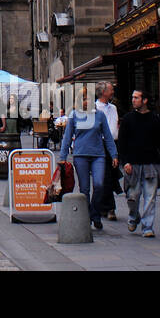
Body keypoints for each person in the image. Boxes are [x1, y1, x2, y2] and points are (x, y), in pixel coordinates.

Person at [57, 90, 117, 231]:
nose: (86, 102)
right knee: (84, 189)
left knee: (99, 184)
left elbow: (108, 136)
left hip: (98, 155)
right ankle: (89, 217)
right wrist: (62, 157)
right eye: (83, 99)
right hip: (80, 155)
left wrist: (114, 154)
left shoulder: (99, 115)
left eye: (88, 99)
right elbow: (67, 137)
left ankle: (94, 213)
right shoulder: (74, 115)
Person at [118, 90, 160, 238]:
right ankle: (134, 216)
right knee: (132, 196)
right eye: (132, 97)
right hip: (133, 164)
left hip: (151, 163)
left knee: (150, 197)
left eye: (136, 97)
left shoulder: (155, 120)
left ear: (145, 100)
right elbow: (122, 142)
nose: (133, 100)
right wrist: (125, 161)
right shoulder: (128, 119)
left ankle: (148, 226)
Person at [94, 81, 121, 221]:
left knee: (111, 175)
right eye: (110, 89)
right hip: (100, 143)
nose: (112, 91)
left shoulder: (113, 108)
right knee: (105, 177)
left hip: (113, 143)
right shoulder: (95, 109)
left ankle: (105, 206)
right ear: (103, 92)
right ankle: (109, 207)